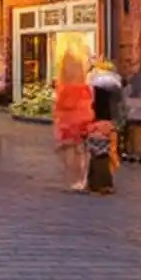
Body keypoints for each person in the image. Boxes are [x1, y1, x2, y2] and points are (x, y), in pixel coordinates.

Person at [54, 46, 94, 193]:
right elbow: (90, 103)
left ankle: (73, 180)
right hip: (84, 120)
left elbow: (60, 106)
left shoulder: (63, 87)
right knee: (81, 150)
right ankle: (83, 179)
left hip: (68, 122)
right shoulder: (84, 86)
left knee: (69, 150)